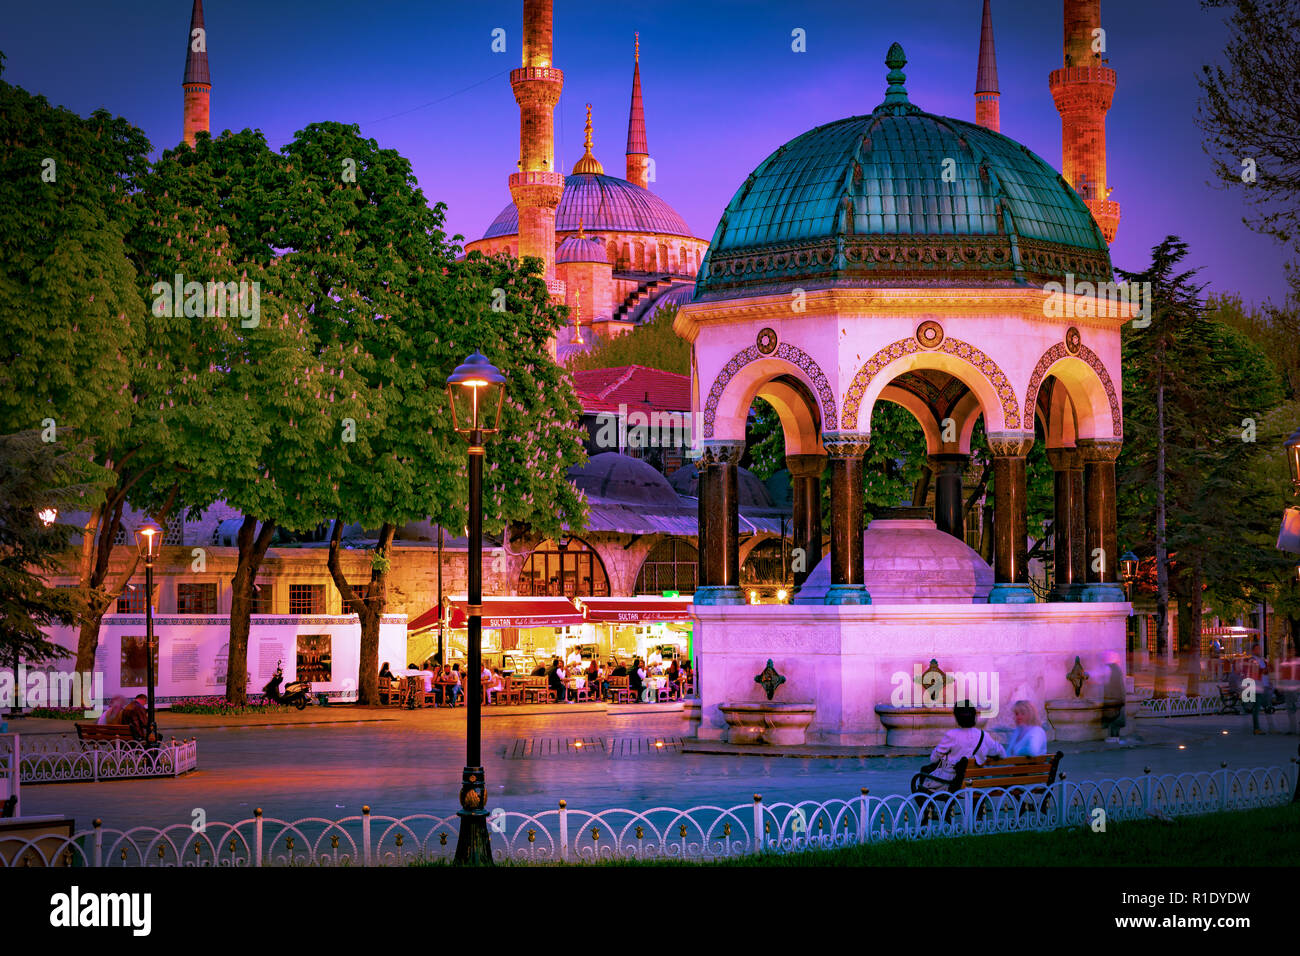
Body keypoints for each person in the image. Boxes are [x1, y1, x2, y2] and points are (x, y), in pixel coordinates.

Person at [915, 701, 1006, 793]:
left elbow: (933, 759)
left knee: (925, 770)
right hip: (976, 783)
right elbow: (1002, 753)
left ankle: (928, 804)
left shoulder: (951, 735)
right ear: (974, 716)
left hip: (952, 784)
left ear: (957, 718)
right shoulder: (984, 736)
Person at [1246, 642, 1273, 735]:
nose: (1259, 650)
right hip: (1256, 686)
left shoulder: (1262, 660)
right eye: (1257, 649)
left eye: (1260, 649)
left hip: (1264, 686)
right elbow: (1256, 671)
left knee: (1267, 706)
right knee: (1256, 708)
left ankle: (1272, 727)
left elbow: (1266, 671)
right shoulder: (1252, 660)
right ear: (1253, 650)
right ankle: (1256, 728)